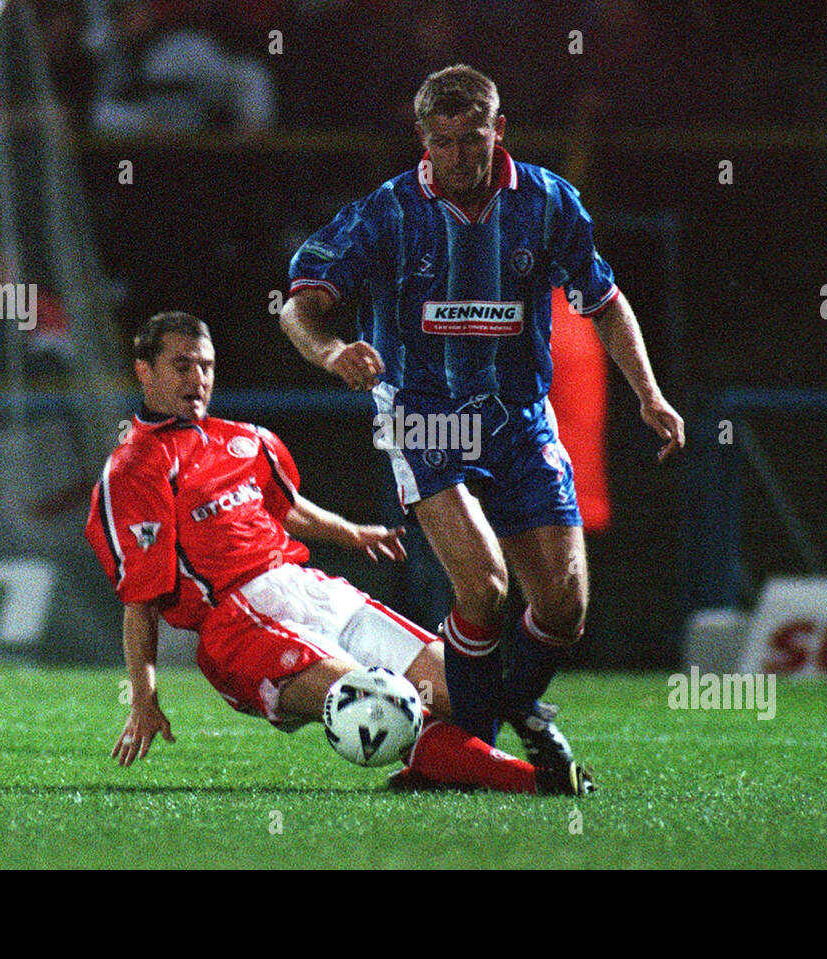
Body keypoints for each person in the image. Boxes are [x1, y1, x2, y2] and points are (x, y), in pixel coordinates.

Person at [280, 64, 685, 773]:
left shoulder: (548, 202)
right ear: (422, 139)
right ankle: (465, 751)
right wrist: (332, 349)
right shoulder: (388, 211)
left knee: (563, 607)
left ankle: (501, 714)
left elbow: (606, 301)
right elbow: (298, 305)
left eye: (474, 138)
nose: (462, 157)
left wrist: (649, 393)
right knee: (486, 586)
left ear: (499, 129)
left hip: (519, 416)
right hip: (424, 414)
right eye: (446, 142)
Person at [85, 311, 593, 795]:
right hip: (236, 626)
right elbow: (141, 599)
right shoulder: (134, 469)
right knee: (379, 709)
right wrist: (144, 697)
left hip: (309, 588)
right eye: (182, 366)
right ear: (144, 371)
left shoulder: (248, 440)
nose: (197, 378)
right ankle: (537, 781)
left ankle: (442, 766)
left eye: (206, 366)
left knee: (462, 691)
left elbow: (286, 509)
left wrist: (353, 532)